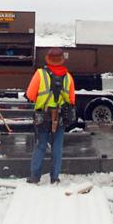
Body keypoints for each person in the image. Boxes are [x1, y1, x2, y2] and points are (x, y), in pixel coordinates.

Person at [25, 48, 76, 184]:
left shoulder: (40, 74)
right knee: (57, 147)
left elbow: (30, 95)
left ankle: (35, 177)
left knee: (40, 146)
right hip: (60, 116)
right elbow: (72, 100)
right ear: (61, 60)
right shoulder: (68, 77)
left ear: (48, 59)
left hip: (43, 116)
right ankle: (55, 178)